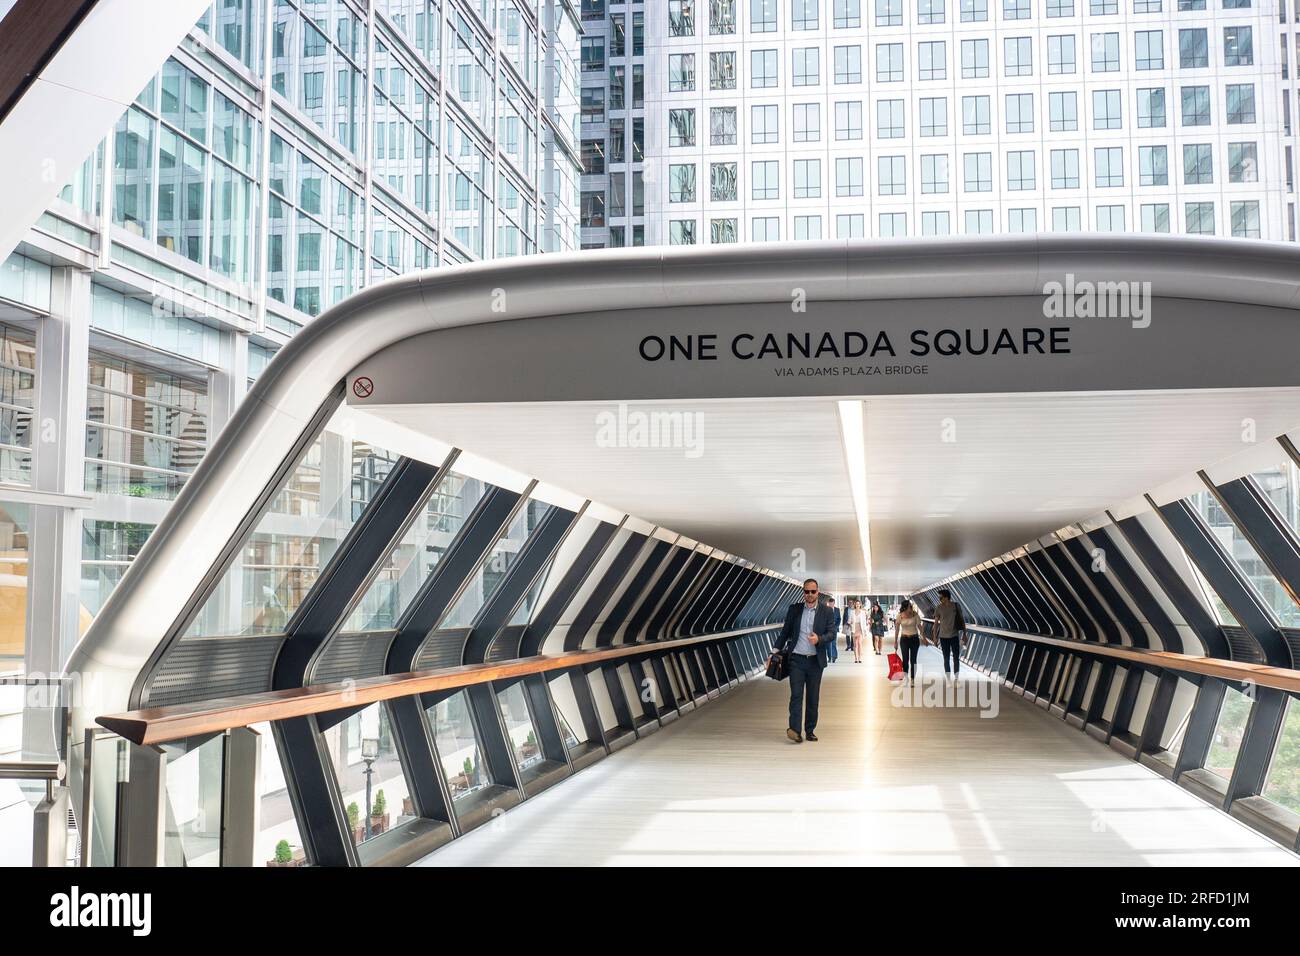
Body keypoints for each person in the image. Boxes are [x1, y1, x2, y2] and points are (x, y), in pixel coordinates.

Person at [770, 578, 836, 742]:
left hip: (815, 661)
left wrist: (819, 639)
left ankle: (810, 730)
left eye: (813, 591)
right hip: (796, 660)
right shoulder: (795, 610)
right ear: (803, 593)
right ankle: (795, 731)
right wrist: (774, 652)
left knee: (813, 698)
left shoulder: (826, 612)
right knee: (796, 695)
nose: (810, 594)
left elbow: (832, 633)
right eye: (807, 591)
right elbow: (785, 632)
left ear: (818, 592)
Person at [931, 588, 965, 682]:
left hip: (954, 636)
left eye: (941, 597)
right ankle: (949, 679)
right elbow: (936, 623)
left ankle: (957, 678)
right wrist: (934, 637)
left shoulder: (956, 606)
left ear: (946, 597)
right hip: (943, 637)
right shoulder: (939, 608)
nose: (940, 599)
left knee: (956, 658)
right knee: (946, 658)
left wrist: (965, 634)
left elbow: (962, 620)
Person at [895, 599, 924, 685]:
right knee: (905, 659)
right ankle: (906, 677)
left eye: (911, 606)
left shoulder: (915, 615)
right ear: (905, 607)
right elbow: (897, 629)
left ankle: (912, 679)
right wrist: (895, 641)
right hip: (904, 639)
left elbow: (920, 627)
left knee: (913, 660)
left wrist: (923, 637)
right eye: (909, 606)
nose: (910, 608)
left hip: (914, 639)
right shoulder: (900, 616)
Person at [825, 597, 840, 663]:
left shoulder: (837, 610)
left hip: (834, 629)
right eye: (830, 603)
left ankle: (834, 656)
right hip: (827, 629)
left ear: (834, 603)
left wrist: (836, 626)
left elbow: (839, 619)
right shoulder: (825, 610)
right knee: (828, 643)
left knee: (833, 642)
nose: (831, 605)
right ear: (829, 603)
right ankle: (829, 657)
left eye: (832, 603)